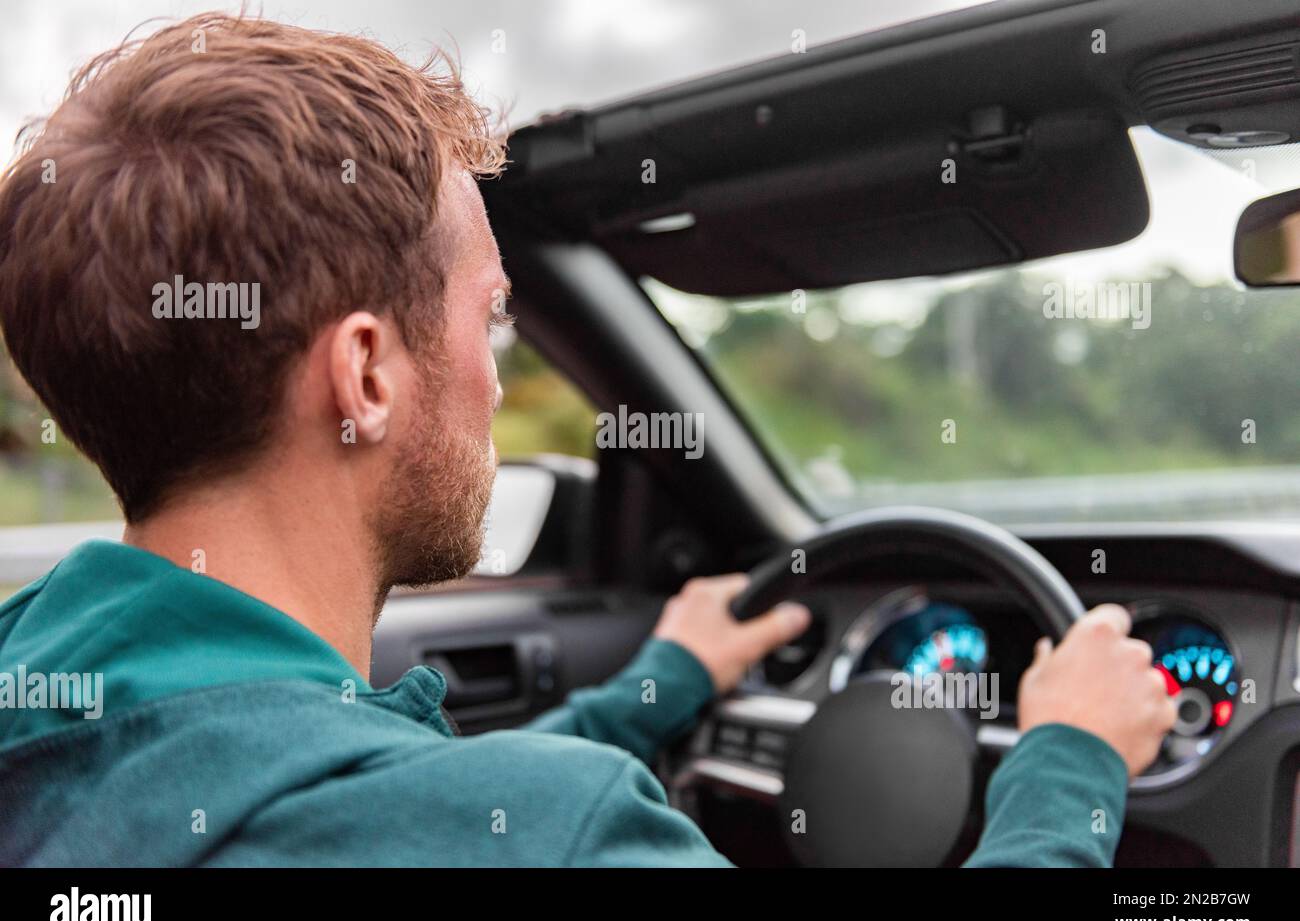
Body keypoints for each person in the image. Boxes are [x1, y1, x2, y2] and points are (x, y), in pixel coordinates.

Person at [0, 14, 1175, 866]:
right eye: (493, 320)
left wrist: (657, 684)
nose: (496, 383)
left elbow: (382, 797)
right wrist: (1066, 757)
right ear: (364, 371)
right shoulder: (556, 836)